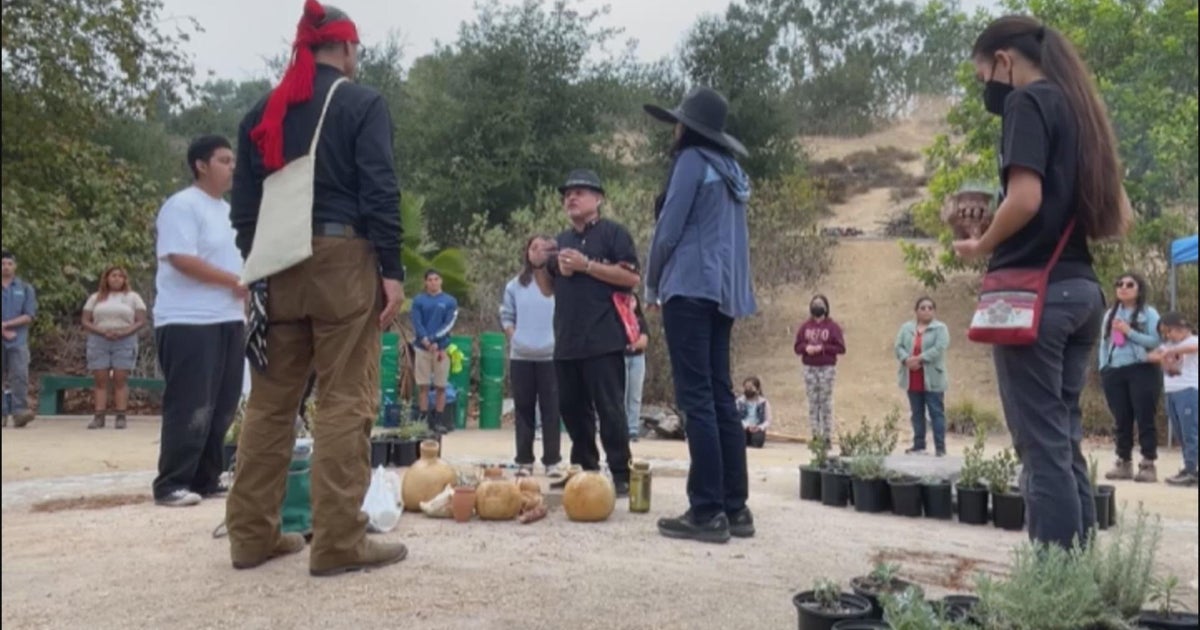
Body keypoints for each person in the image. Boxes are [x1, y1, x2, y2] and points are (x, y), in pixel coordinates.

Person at [225, 1, 407, 577]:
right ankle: (338, 541)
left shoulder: (264, 109)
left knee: (272, 402)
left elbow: (244, 209)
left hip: (277, 264)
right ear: (348, 49)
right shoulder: (361, 102)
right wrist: (392, 269)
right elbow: (380, 188)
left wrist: (258, 267)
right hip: (342, 258)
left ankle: (251, 535)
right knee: (344, 399)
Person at [952, 15, 1132, 550]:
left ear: (1004, 61)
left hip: (1036, 299)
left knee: (1040, 446)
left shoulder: (1026, 103)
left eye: (984, 74)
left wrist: (980, 243)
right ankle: (1078, 578)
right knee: (1063, 439)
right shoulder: (1079, 110)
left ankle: (1055, 583)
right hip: (1082, 292)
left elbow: (1026, 199)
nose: (987, 87)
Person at [644, 87, 757, 544]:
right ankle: (736, 507)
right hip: (721, 293)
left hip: (688, 288)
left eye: (677, 123)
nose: (674, 130)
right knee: (719, 395)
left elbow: (669, 228)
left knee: (696, 400)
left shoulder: (691, 162)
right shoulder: (731, 171)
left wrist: (652, 282)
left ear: (686, 127)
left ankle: (706, 510)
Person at [151, 134, 246, 510]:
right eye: (224, 160)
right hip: (188, 320)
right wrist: (234, 282)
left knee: (223, 403)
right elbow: (180, 258)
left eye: (233, 161)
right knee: (191, 403)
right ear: (201, 165)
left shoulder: (228, 211)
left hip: (228, 317)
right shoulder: (182, 206)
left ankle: (206, 477)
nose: (231, 168)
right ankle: (171, 481)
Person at [547, 169, 640, 498]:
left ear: (598, 199)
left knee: (610, 409)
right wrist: (538, 262)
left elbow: (631, 279)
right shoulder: (560, 241)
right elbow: (547, 289)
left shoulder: (614, 234)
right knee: (571, 408)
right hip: (566, 339)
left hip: (603, 338)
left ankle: (621, 472)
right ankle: (587, 469)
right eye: (567, 193)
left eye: (580, 192)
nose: (571, 197)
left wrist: (588, 266)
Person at [500, 235, 562, 478]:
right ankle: (524, 461)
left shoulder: (558, 284)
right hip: (521, 356)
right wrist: (514, 336)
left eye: (543, 248)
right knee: (524, 409)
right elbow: (507, 316)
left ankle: (552, 461)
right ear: (527, 253)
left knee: (551, 410)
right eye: (533, 248)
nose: (537, 252)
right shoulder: (514, 285)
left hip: (550, 356)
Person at [1099, 272, 1162, 483]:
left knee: (1145, 416)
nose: (1123, 287)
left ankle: (1148, 463)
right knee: (1121, 418)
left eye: (1129, 284)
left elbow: (1156, 340)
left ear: (1139, 289)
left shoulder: (1149, 313)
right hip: (1115, 369)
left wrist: (1129, 331)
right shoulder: (1111, 314)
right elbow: (1104, 342)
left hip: (1142, 368)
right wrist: (1103, 366)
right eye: (1119, 283)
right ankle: (1123, 461)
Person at [81, 266, 148, 430]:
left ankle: (121, 415)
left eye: (120, 276)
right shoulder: (96, 298)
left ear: (125, 279)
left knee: (120, 378)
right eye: (113, 276)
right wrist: (102, 331)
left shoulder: (133, 297)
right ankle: (99, 416)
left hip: (124, 340)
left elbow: (141, 320)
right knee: (100, 379)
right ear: (106, 278)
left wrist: (125, 331)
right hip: (99, 339)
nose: (116, 279)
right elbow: (85, 320)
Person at [894, 297, 950, 457]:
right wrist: (906, 360)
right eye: (923, 308)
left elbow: (939, 348)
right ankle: (919, 445)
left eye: (930, 308)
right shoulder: (906, 328)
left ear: (934, 310)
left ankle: (940, 448)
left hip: (933, 378)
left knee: (936, 412)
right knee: (916, 412)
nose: (926, 310)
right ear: (916, 310)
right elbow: (898, 347)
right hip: (912, 377)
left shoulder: (940, 328)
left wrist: (919, 359)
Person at [1149, 312, 1198, 487]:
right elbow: (1151, 356)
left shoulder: (1192, 341)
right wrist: (1163, 354)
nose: (1168, 336)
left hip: (1188, 390)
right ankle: (1189, 466)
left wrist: (1171, 350)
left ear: (1182, 327)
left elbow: (1193, 349)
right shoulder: (1167, 345)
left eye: (1170, 331)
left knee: (1190, 431)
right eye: (1164, 333)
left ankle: (1193, 470)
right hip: (1171, 391)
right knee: (1180, 432)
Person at [411, 269, 458, 432]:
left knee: (441, 386)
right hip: (422, 348)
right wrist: (424, 340)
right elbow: (417, 323)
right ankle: (423, 420)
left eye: (436, 279)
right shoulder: (418, 300)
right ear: (425, 282)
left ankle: (438, 420)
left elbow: (449, 324)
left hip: (441, 349)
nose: (433, 282)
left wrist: (434, 341)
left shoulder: (450, 301)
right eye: (430, 280)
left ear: (441, 281)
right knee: (423, 386)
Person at [794, 294, 846, 441]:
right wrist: (806, 348)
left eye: (820, 303)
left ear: (826, 307)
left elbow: (841, 348)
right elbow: (797, 347)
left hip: (826, 368)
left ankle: (827, 436)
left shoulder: (832, 327)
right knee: (813, 402)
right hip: (809, 368)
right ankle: (816, 436)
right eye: (814, 303)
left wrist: (822, 348)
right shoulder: (805, 327)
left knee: (825, 402)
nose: (817, 306)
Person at [2, 250, 37, 428]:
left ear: (15, 266)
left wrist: (6, 325)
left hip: (18, 339)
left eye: (9, 264)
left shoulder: (25, 288)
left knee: (19, 375)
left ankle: (19, 412)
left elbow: (29, 315)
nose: (6, 267)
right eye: (3, 264)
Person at [624, 292, 650, 441]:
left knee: (634, 395)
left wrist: (632, 345)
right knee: (623, 393)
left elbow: (644, 341)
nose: (631, 303)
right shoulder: (618, 320)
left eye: (633, 299)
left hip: (637, 359)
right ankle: (622, 427)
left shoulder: (641, 321)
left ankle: (632, 428)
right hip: (622, 358)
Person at [737, 377, 772, 449]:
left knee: (757, 443)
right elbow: (736, 417)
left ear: (757, 389)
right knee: (740, 441)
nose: (748, 389)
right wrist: (746, 426)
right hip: (743, 427)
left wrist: (759, 427)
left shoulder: (764, 402)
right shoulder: (739, 401)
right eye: (746, 387)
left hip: (757, 428)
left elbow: (768, 420)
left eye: (750, 387)